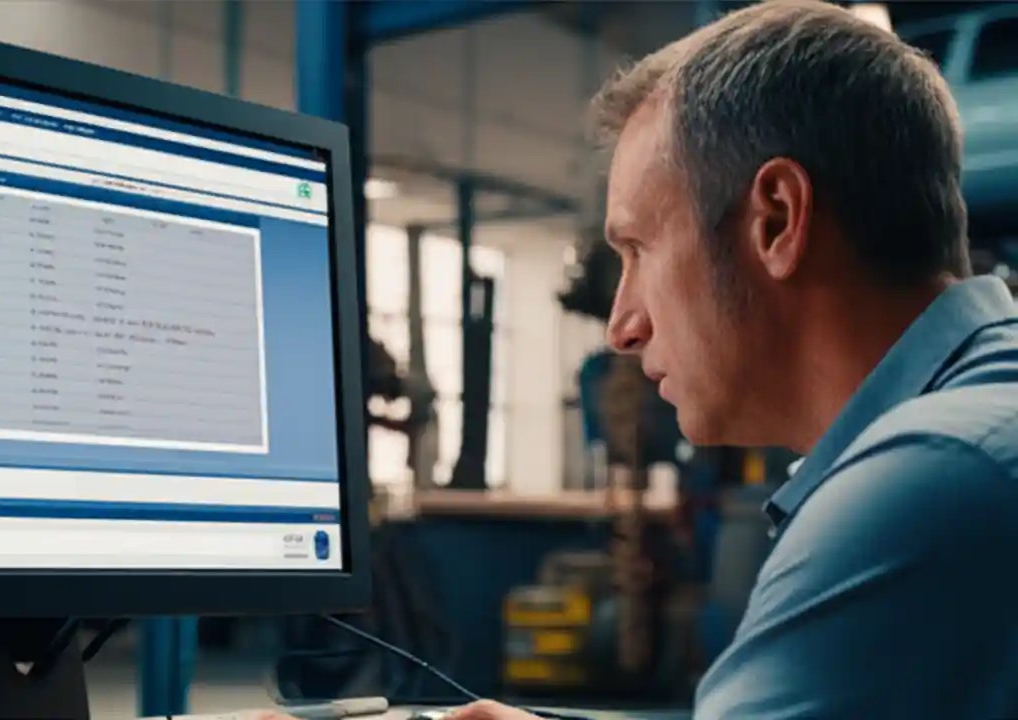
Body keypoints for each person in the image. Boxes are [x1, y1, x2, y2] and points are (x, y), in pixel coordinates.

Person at [269, 0, 1018, 717]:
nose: (621, 327)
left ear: (777, 221)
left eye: (638, 249)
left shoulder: (931, 481)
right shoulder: (975, 420)